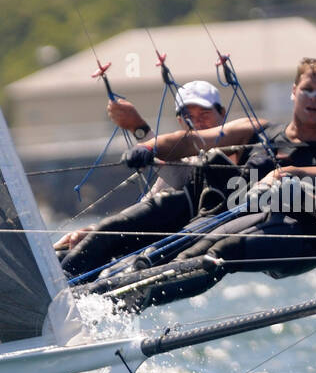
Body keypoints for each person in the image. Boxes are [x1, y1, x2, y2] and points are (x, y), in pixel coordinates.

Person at [60, 58, 316, 280]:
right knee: (105, 233)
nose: (314, 97)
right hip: (188, 212)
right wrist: (148, 147)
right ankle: (54, 287)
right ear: (294, 92)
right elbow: (192, 142)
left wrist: (288, 176)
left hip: (235, 230)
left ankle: (90, 295)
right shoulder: (256, 129)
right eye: (307, 89)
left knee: (148, 260)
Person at [102, 113, 316, 309]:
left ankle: (144, 298)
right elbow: (302, 174)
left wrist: (304, 200)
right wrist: (281, 178)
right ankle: (128, 283)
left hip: (302, 245)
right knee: (204, 237)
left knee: (222, 254)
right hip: (278, 218)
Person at [55, 80, 227, 254]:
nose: (197, 123)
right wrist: (96, 230)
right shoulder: (183, 156)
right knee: (72, 247)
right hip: (156, 243)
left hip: (193, 244)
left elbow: (185, 179)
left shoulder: (237, 150)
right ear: (179, 121)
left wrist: (138, 127)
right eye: (188, 117)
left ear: (222, 113)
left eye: (205, 114)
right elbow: (145, 207)